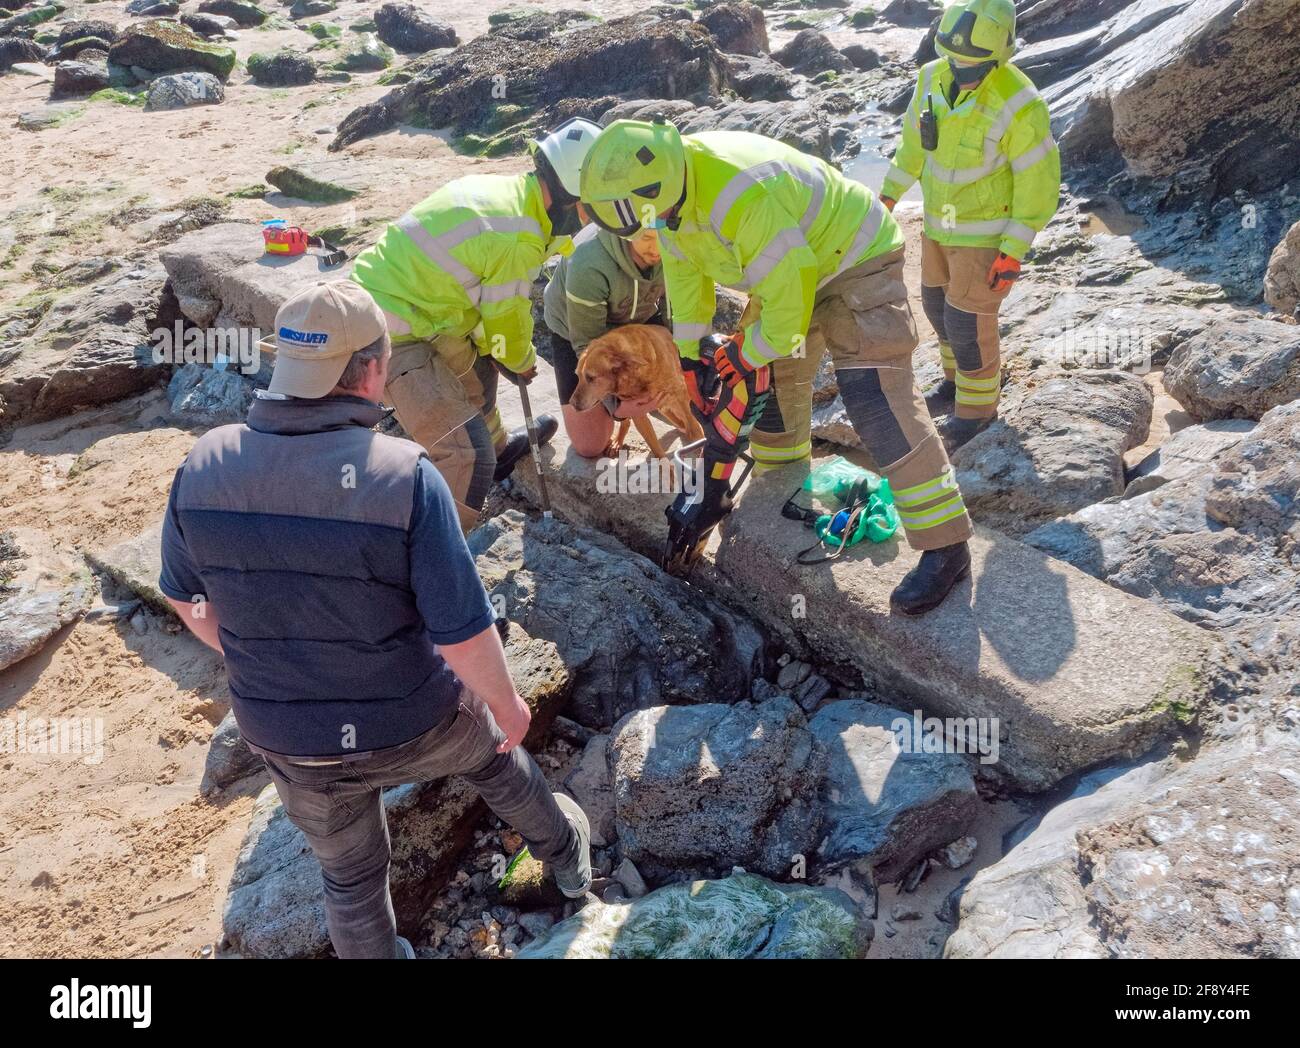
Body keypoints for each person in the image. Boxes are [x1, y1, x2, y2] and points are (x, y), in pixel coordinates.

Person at [157, 281, 591, 959]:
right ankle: (565, 860)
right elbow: (461, 631)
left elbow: (187, 599)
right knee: (499, 759)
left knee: (351, 875)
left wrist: (254, 654)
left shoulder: (204, 465)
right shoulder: (401, 475)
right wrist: (507, 705)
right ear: (374, 369)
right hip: (413, 719)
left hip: (287, 735)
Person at [580, 119, 975, 614]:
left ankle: (946, 544)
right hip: (790, 268)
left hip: (854, 254)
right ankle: (780, 481)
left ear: (657, 185)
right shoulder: (669, 202)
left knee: (874, 394)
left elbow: (790, 297)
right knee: (774, 382)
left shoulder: (737, 192)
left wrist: (745, 352)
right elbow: (686, 277)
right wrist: (688, 359)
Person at [350, 117, 604, 532]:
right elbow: (505, 318)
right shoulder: (518, 235)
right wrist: (519, 359)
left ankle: (500, 451)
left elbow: (486, 302)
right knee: (466, 454)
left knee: (478, 369)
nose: (589, 219)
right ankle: (439, 546)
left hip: (427, 308)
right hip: (389, 326)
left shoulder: (513, 195)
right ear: (567, 194)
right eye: (590, 207)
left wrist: (497, 350)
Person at [879, 0, 1060, 452]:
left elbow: (1037, 182)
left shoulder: (1020, 102)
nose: (960, 69)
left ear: (998, 56)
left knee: (968, 323)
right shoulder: (930, 79)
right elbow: (912, 149)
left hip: (985, 235)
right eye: (954, 59)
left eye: (972, 64)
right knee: (936, 308)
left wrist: (1014, 248)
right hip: (939, 226)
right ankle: (953, 383)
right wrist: (886, 197)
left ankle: (977, 413)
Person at [542, 224, 667, 456]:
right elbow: (587, 345)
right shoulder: (587, 261)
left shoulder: (678, 242)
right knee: (590, 445)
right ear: (626, 229)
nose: (657, 248)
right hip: (578, 334)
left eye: (664, 237)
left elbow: (680, 314)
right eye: (647, 237)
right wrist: (618, 405)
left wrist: (687, 367)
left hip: (637, 322)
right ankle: (618, 414)